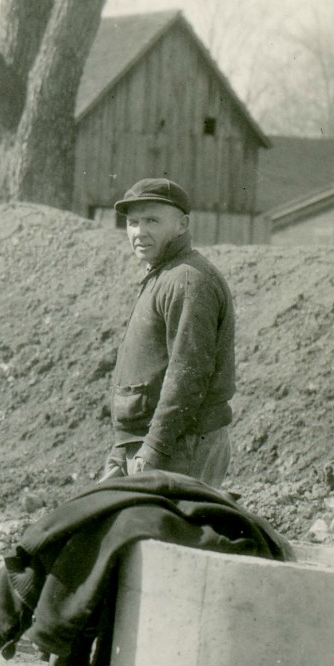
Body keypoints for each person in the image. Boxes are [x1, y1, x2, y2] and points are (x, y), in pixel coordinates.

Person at [100, 177, 236, 485]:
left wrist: (154, 449)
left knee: (170, 533)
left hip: (180, 446)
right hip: (156, 444)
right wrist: (124, 448)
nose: (139, 232)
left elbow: (187, 375)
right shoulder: (165, 274)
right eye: (132, 222)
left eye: (152, 220)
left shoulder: (186, 280)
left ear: (182, 224)